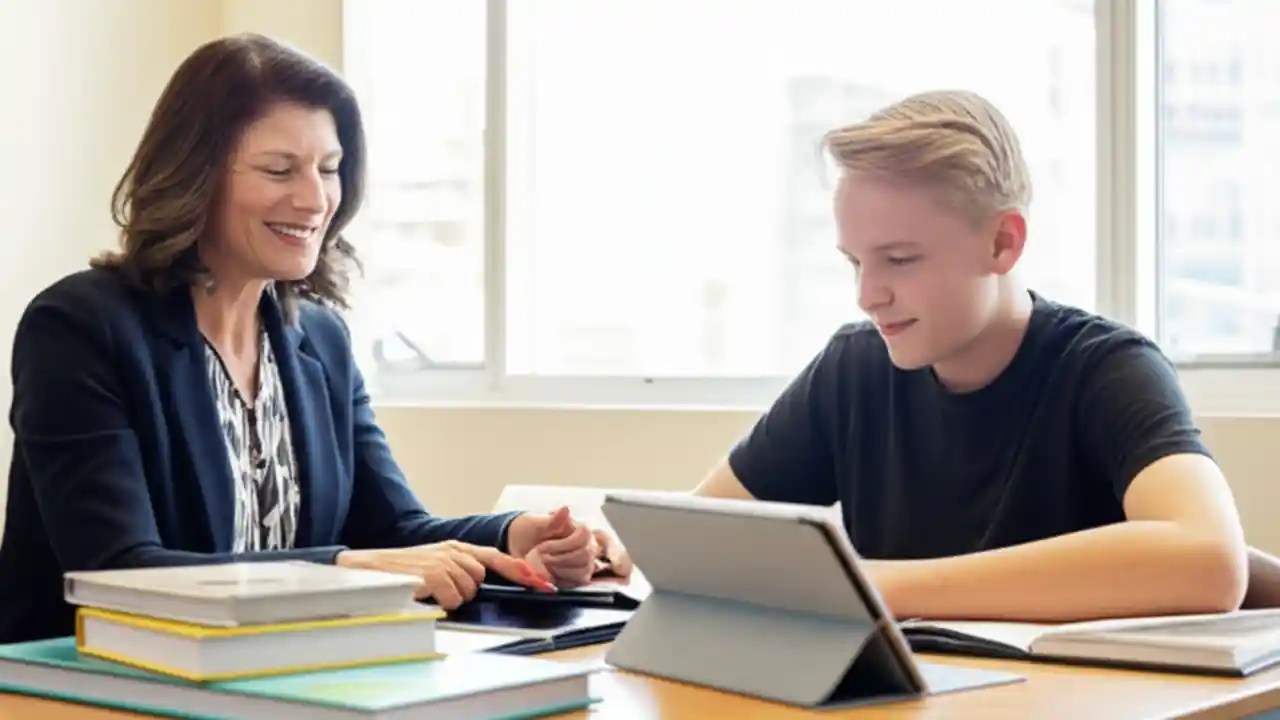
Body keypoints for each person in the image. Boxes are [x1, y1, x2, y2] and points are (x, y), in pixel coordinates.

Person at [0, 33, 629, 644]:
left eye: (329, 170)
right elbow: (119, 572)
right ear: (196, 175)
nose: (315, 199)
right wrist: (342, 568)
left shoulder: (320, 338)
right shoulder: (77, 328)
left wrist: (514, 537)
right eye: (280, 170)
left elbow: (393, 529)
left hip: (278, 677)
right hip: (87, 684)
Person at [695, 89, 1260, 622]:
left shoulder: (1107, 369)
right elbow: (694, 536)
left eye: (899, 259)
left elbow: (1211, 563)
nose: (867, 295)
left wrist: (866, 586)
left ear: (1002, 243)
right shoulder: (852, 371)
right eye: (855, 262)